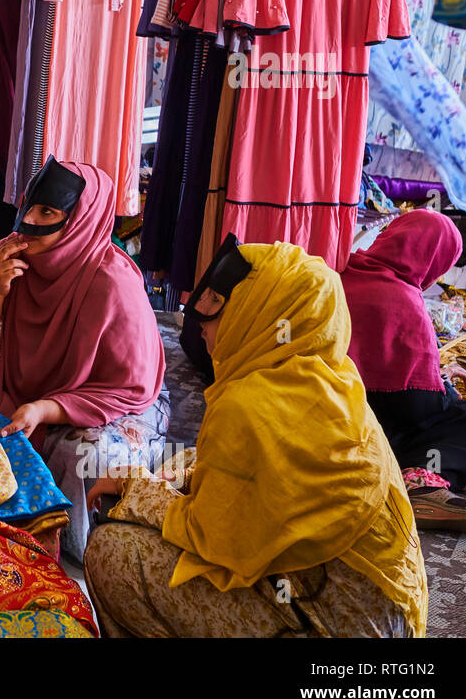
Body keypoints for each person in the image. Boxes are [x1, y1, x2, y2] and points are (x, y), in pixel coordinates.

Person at [83, 240, 428, 637]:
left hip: (329, 619)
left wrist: (134, 487)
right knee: (186, 462)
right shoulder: (335, 378)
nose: (200, 323)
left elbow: (212, 536)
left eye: (218, 303)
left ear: (259, 312)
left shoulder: (248, 405)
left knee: (111, 550)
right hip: (390, 612)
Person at [0, 157, 167, 561]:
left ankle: (70, 546)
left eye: (47, 211)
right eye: (27, 206)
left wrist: (47, 408)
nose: (28, 221)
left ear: (82, 219)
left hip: (105, 398)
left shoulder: (113, 283)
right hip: (14, 381)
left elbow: (130, 386)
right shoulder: (6, 257)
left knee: (84, 453)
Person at [341, 210, 466, 533]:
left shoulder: (348, 271)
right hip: (380, 420)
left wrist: (436, 372)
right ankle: (422, 480)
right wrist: (445, 389)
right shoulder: (403, 298)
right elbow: (420, 406)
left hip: (337, 411)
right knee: (465, 421)